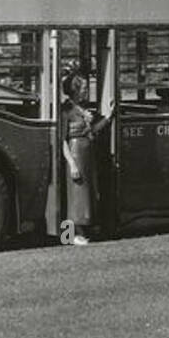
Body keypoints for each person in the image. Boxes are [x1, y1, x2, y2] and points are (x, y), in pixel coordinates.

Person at [61, 72, 110, 245]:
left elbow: (92, 131)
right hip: (76, 154)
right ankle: (72, 234)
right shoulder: (67, 110)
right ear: (75, 90)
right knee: (77, 194)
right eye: (84, 89)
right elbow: (62, 140)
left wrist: (108, 118)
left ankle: (81, 230)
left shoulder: (79, 108)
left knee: (86, 193)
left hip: (86, 153)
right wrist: (72, 164)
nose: (86, 92)